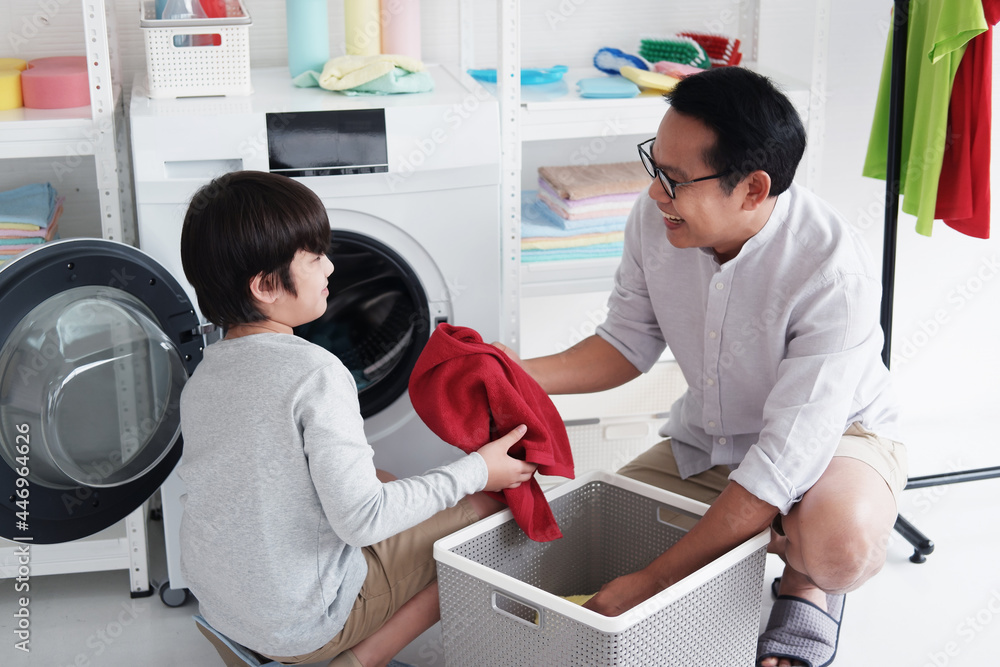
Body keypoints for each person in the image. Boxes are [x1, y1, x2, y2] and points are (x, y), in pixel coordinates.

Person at [496, 67, 907, 667]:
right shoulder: (658, 218)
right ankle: (747, 550)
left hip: (839, 440)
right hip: (714, 437)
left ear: (752, 189)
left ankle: (803, 583)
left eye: (677, 179)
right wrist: (508, 371)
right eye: (654, 167)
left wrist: (653, 581)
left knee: (836, 547)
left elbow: (781, 463)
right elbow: (625, 344)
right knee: (600, 534)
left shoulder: (832, 272)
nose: (656, 191)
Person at [177, 171, 537, 667]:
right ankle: (355, 661)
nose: (329, 265)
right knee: (491, 513)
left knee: (384, 481)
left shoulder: (204, 376)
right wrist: (480, 470)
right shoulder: (315, 373)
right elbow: (363, 520)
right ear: (264, 286)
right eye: (313, 256)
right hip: (303, 627)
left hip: (227, 612)